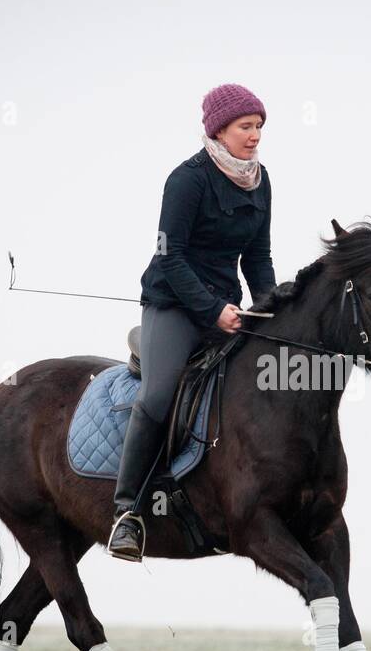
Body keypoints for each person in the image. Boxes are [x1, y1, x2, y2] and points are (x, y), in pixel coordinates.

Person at [108, 83, 276, 561]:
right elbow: (172, 257)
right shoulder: (186, 180)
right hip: (174, 305)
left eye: (259, 126)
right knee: (158, 395)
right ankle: (127, 513)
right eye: (246, 126)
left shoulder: (260, 181)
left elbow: (258, 258)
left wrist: (269, 308)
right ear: (219, 130)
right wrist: (211, 309)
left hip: (226, 310)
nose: (254, 136)